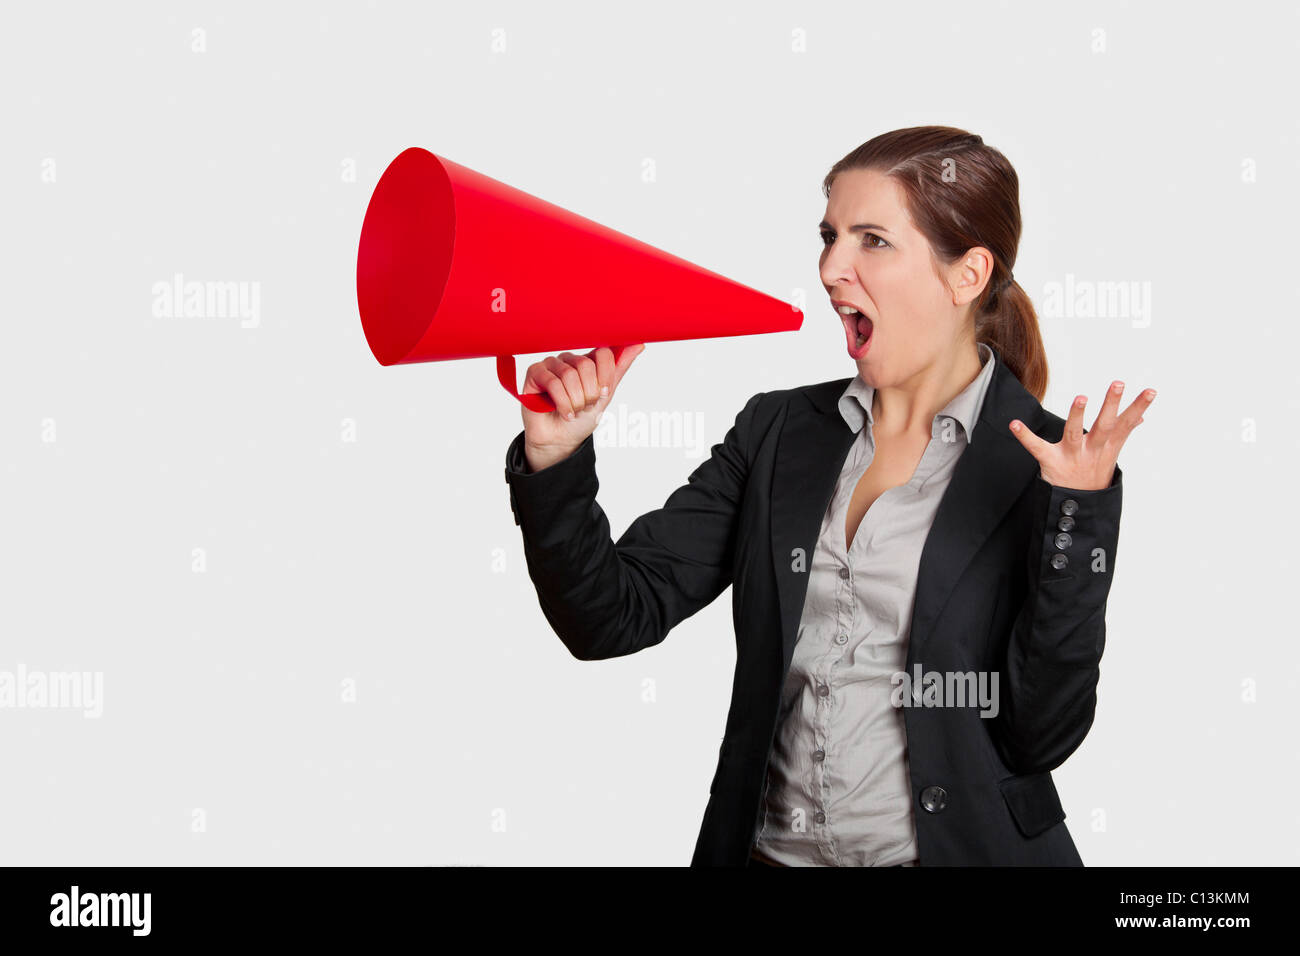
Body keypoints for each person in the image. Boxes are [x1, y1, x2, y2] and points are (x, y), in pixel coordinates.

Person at [501, 126, 1155, 866]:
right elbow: (610, 617)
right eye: (829, 236)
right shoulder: (778, 431)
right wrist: (556, 459)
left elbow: (1041, 733)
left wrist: (1078, 509)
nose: (830, 268)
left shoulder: (1051, 464)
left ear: (967, 274)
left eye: (872, 240)